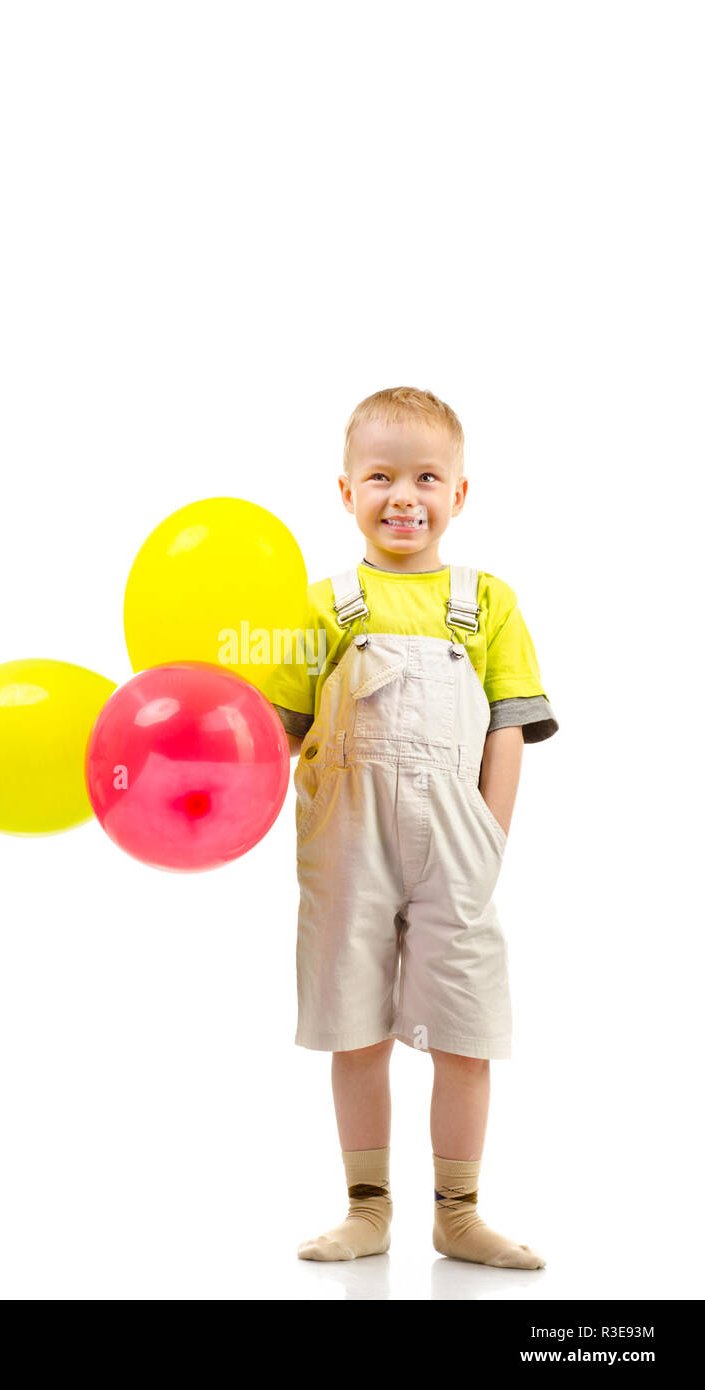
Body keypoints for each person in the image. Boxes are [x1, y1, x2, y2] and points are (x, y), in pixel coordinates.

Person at [264, 386, 558, 1267]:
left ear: (458, 494)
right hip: (345, 849)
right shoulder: (321, 608)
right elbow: (277, 734)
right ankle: (367, 1208)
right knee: (357, 1026)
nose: (404, 495)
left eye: (427, 477)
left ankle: (458, 1213)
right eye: (381, 475)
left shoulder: (487, 603)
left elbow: (508, 727)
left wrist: (488, 840)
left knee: (465, 1030)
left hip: (457, 849)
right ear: (345, 492)